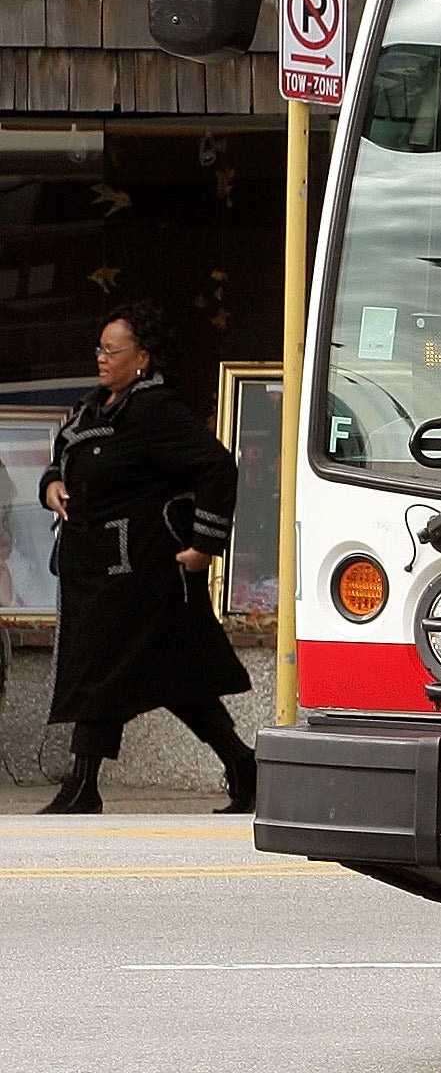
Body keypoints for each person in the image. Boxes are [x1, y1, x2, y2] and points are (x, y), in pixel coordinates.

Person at [39, 302, 255, 816]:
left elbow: (217, 468)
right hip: (93, 569)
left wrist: (204, 546)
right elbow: (62, 459)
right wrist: (51, 485)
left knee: (102, 670)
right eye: (99, 348)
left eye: (112, 350)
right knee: (176, 678)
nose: (101, 358)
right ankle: (243, 764)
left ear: (143, 357)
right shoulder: (91, 408)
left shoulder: (157, 410)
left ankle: (82, 785)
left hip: (142, 568)